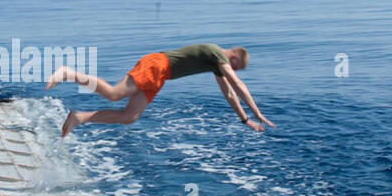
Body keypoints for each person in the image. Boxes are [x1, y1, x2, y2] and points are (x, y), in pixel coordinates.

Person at [45, 43, 275, 137]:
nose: (233, 71)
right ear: (232, 57)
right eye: (236, 67)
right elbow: (237, 84)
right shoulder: (217, 53)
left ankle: (79, 118)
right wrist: (258, 112)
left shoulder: (215, 66)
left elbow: (230, 93)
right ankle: (68, 73)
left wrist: (245, 120)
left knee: (129, 117)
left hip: (162, 77)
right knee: (114, 94)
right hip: (156, 65)